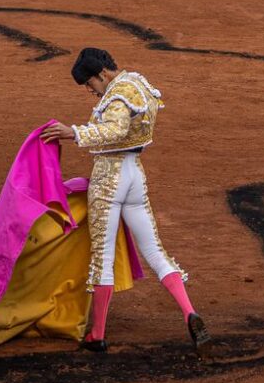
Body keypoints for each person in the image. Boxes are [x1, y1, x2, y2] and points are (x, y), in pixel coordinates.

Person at [42, 48, 209, 356]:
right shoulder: (138, 82)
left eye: (90, 84)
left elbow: (115, 129)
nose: (91, 91)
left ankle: (98, 334)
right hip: (135, 175)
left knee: (102, 256)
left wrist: (73, 133)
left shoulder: (117, 95)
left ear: (101, 74)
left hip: (110, 177)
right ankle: (189, 312)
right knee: (155, 250)